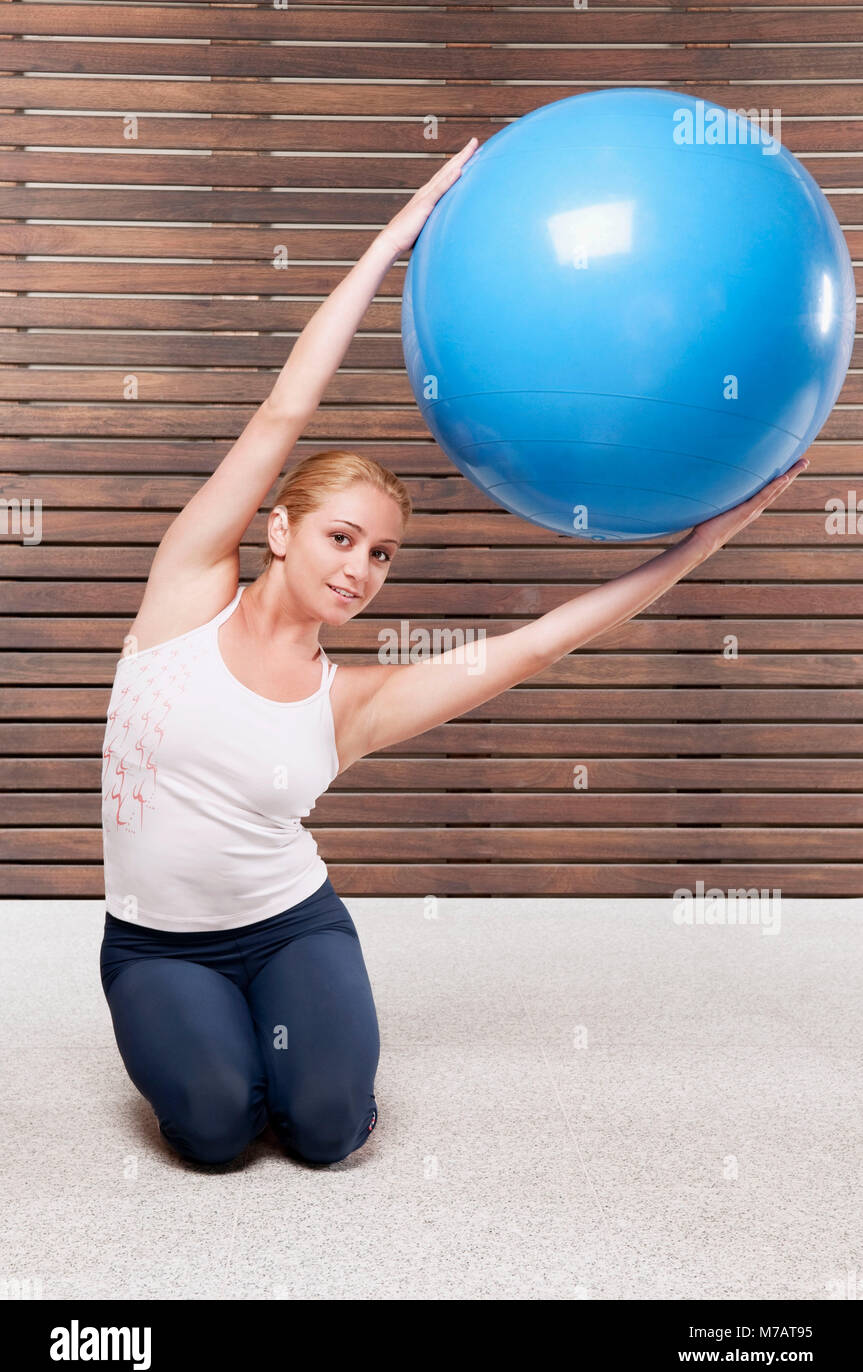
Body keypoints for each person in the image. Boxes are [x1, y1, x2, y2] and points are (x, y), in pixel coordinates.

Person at [98, 137, 809, 1168]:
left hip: (290, 925)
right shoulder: (182, 596)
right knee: (213, 1129)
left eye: (380, 554)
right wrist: (393, 238)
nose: (358, 569)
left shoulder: (346, 701)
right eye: (341, 538)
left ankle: (297, 1045)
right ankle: (205, 1047)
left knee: (328, 1130)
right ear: (281, 530)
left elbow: (533, 646)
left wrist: (704, 542)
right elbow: (280, 412)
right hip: (157, 943)